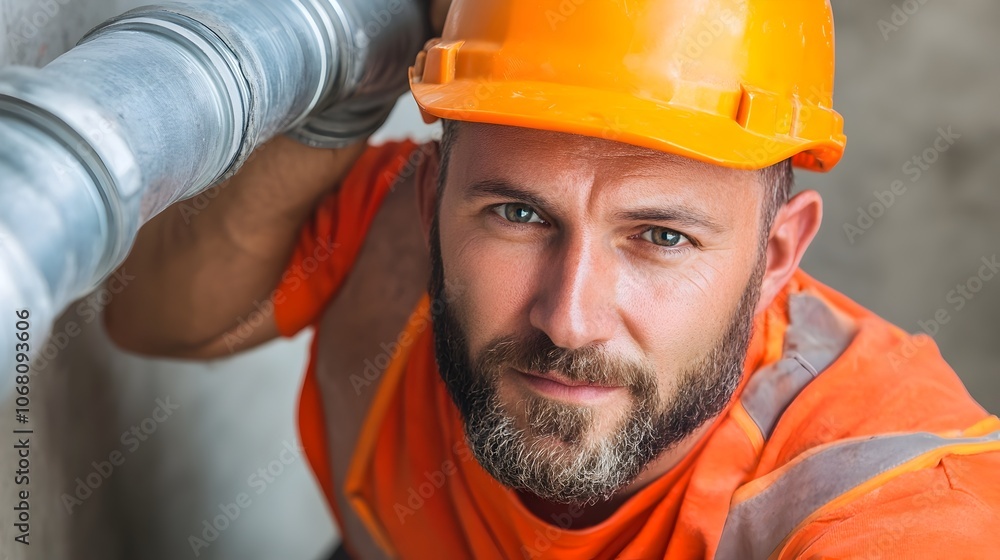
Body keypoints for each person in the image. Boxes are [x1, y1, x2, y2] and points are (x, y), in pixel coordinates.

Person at [104, 0, 1000, 558]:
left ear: (774, 259)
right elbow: (154, 318)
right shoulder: (394, 245)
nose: (568, 321)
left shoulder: (894, 496)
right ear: (430, 203)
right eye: (520, 216)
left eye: (659, 237)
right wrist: (338, 102)